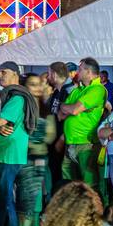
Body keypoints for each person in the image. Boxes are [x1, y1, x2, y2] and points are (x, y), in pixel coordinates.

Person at [0, 62, 37, 226]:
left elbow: (0, 120)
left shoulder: (16, 98)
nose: (0, 75)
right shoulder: (10, 95)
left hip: (8, 154)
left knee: (4, 197)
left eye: (5, 72)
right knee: (3, 196)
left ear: (16, 75)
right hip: (5, 152)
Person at [15, 73, 57, 226]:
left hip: (38, 158)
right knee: (23, 194)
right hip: (20, 157)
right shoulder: (19, 107)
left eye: (39, 84)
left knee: (35, 194)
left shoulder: (45, 109)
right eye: (32, 84)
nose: (37, 88)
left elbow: (50, 136)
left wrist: (35, 143)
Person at [59, 57, 107, 186]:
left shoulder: (97, 90)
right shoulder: (77, 91)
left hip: (86, 144)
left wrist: (69, 107)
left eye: (80, 70)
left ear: (89, 72)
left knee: (89, 185)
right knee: (69, 185)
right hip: (71, 143)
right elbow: (61, 114)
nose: (76, 73)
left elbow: (73, 110)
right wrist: (68, 108)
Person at [46, 61, 71, 194]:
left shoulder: (69, 91)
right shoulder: (57, 92)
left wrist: (62, 138)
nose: (47, 77)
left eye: (49, 74)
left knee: (60, 177)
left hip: (61, 142)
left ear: (54, 75)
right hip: (53, 140)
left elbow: (68, 117)